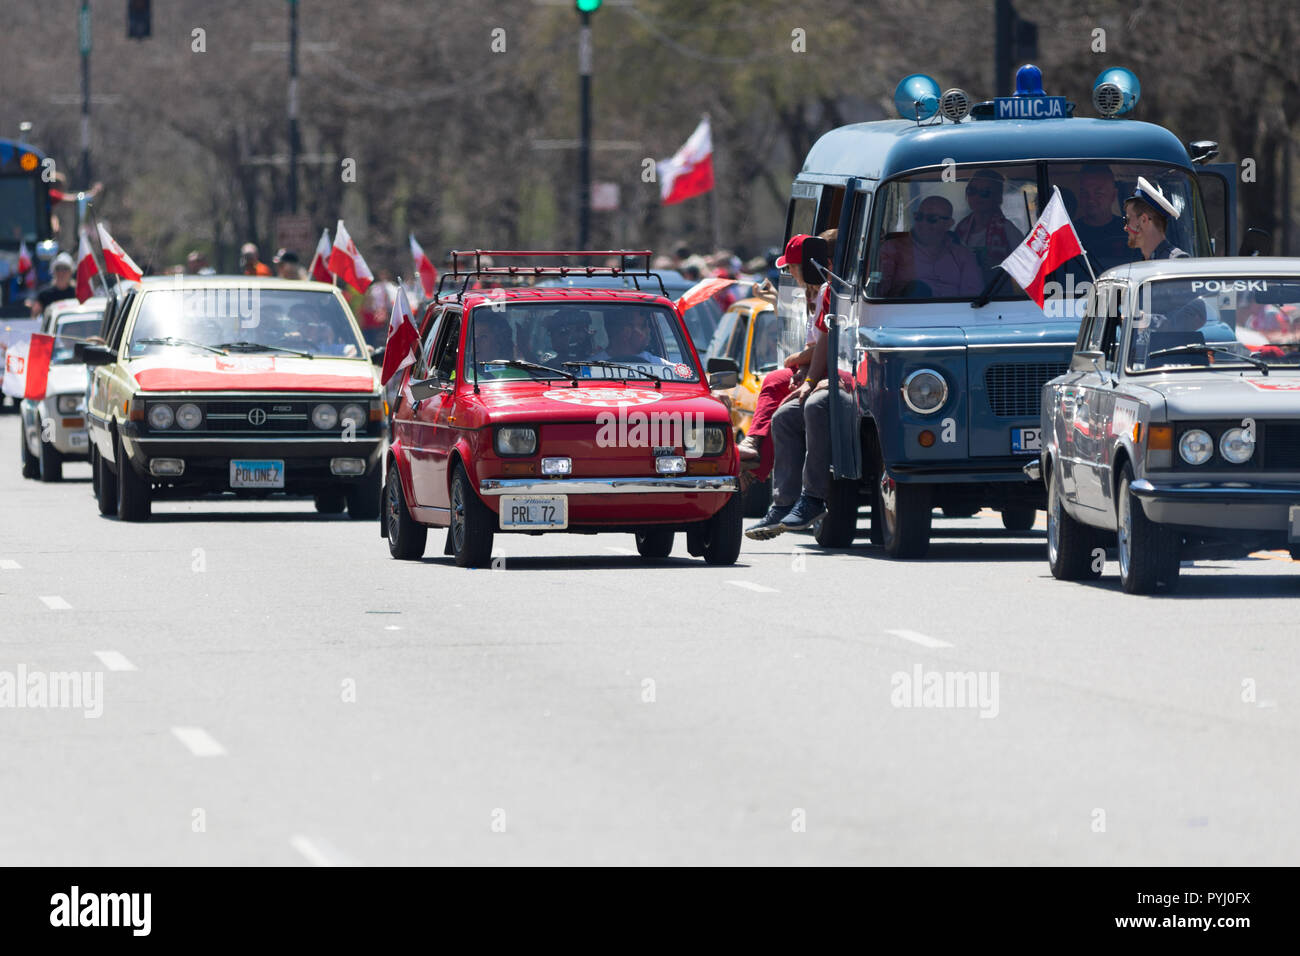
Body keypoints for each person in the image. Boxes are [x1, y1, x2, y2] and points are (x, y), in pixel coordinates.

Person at [877, 196, 983, 298]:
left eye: (932, 219)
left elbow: (972, 297)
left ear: (949, 223)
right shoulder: (892, 249)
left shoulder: (963, 255)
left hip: (953, 314)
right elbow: (878, 292)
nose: (922, 223)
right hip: (907, 312)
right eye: (919, 217)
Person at [953, 170, 1023, 279]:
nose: (977, 197)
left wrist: (999, 264)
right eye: (972, 191)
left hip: (996, 290)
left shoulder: (1007, 229)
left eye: (985, 193)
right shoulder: (961, 228)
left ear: (998, 197)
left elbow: (1024, 265)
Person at [1073, 165, 1140, 272]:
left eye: (1098, 193)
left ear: (1113, 195)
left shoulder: (1130, 231)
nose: (1091, 199)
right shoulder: (1069, 233)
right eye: (1085, 193)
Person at [1124, 178, 1189, 260]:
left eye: (1127, 220)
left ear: (1143, 220)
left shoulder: (1175, 260)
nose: (1125, 228)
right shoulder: (1146, 260)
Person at [28, 252, 77, 316]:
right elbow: (35, 316)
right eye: (58, 269)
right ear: (53, 272)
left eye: (65, 269)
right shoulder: (44, 294)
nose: (61, 273)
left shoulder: (77, 293)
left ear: (71, 272)